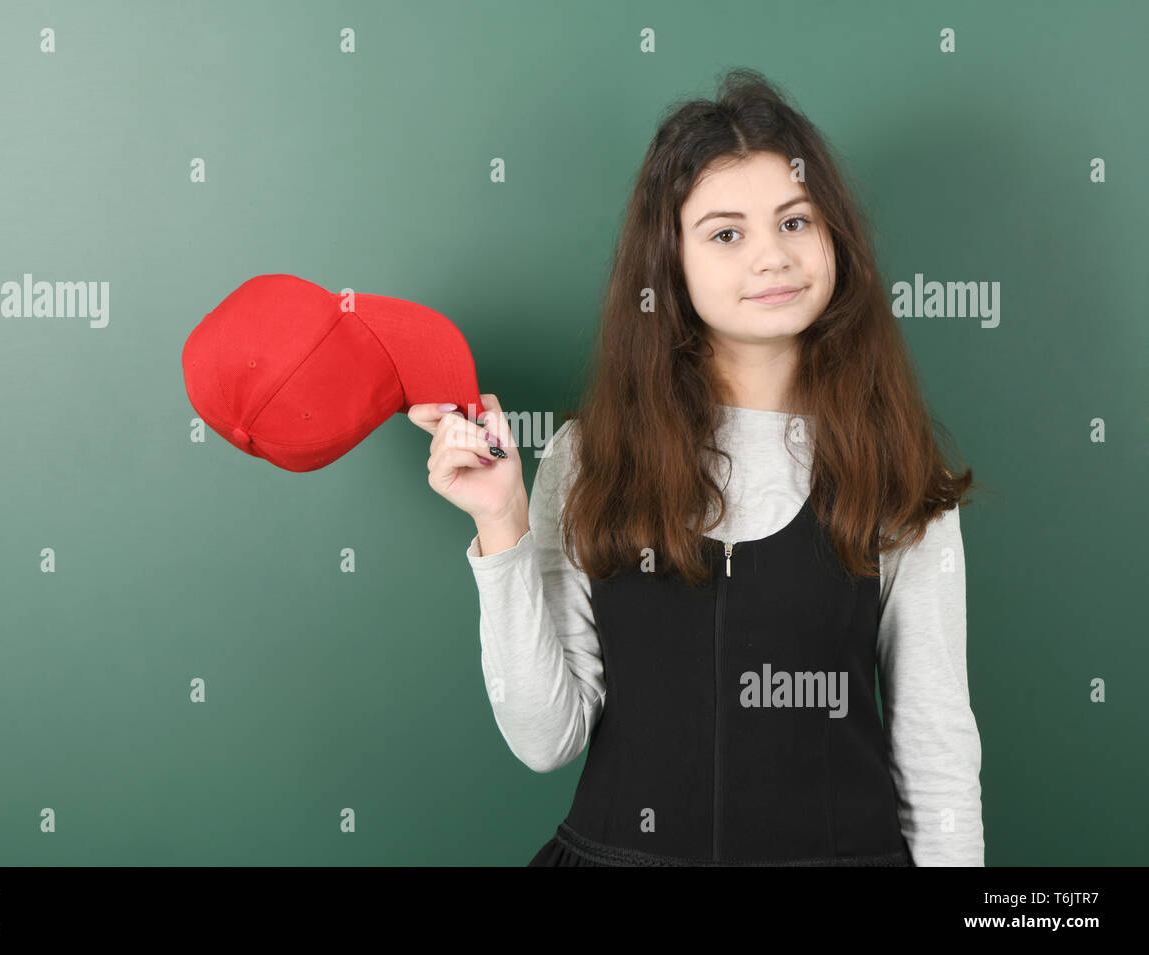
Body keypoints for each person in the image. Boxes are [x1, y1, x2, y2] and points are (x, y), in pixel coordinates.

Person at [407, 68, 983, 867]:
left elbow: (936, 743)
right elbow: (548, 739)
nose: (771, 258)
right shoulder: (586, 459)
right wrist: (501, 525)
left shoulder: (898, 473)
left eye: (795, 221)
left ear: (835, 238)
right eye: (725, 233)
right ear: (669, 264)